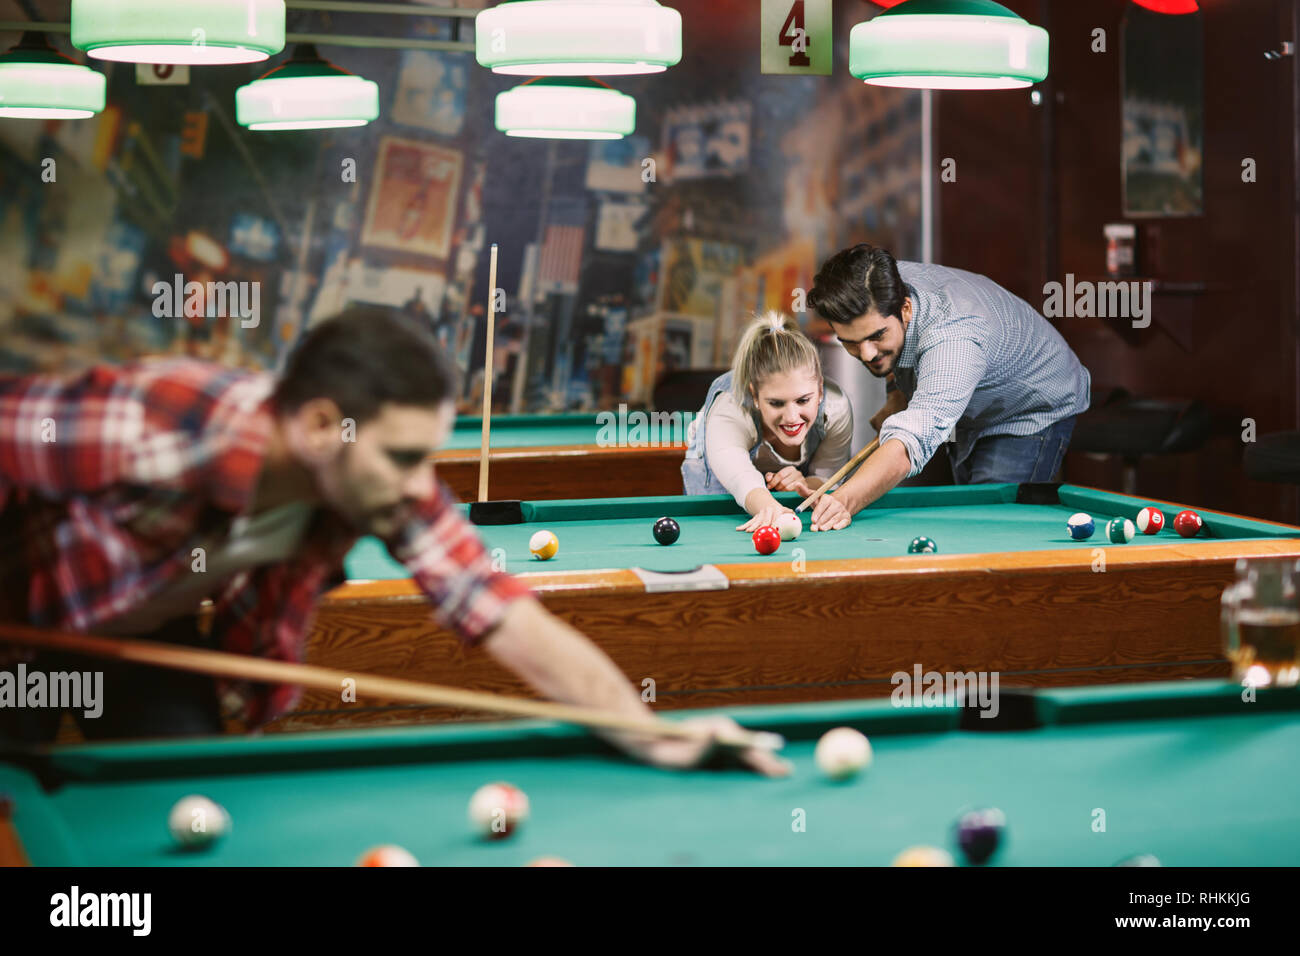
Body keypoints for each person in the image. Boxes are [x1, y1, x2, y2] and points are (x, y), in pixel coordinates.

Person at [0, 306, 785, 775]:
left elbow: (497, 607)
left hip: (139, 635)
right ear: (317, 427)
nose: (421, 485)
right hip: (19, 627)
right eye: (404, 456)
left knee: (187, 794)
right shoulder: (163, 423)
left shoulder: (373, 479)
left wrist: (652, 734)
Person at [804, 244, 1091, 531]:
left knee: (989, 528)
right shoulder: (873, 281)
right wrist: (896, 397)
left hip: (1029, 405)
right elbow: (890, 357)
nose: (866, 354)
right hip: (975, 400)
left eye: (877, 336)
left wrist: (844, 500)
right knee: (971, 509)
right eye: (851, 342)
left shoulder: (952, 340)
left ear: (905, 308)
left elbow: (911, 441)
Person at [682, 312, 853, 533]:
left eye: (803, 400)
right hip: (718, 479)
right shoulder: (731, 408)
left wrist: (804, 484)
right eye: (776, 403)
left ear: (820, 389)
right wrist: (770, 507)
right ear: (754, 395)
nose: (792, 417)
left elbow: (827, 479)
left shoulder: (835, 409)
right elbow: (741, 478)